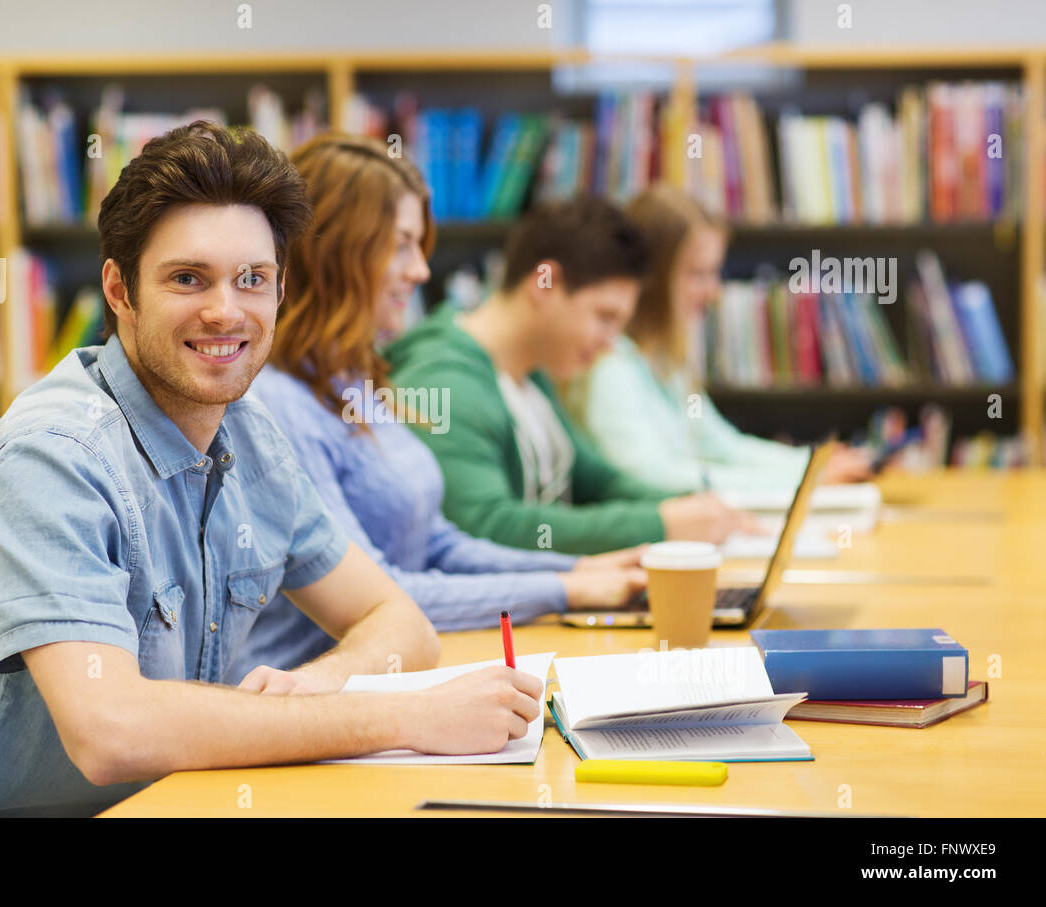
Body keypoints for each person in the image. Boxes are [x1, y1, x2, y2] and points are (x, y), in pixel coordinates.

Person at [0, 123, 542, 818]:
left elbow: (399, 621)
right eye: (187, 278)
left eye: (252, 279)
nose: (225, 310)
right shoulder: (54, 455)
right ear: (119, 289)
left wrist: (320, 686)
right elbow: (107, 730)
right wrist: (401, 717)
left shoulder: (251, 434)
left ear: (281, 289)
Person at [229, 136, 647, 681]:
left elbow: (438, 544)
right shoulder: (278, 403)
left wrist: (577, 568)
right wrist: (563, 589)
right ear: (340, 250)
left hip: (382, 683)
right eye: (401, 245)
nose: (421, 271)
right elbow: (382, 593)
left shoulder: (352, 379)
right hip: (301, 700)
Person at [385, 195, 752, 557]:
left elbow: (596, 481)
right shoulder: (445, 381)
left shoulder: (529, 374)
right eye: (604, 318)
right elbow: (485, 527)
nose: (610, 344)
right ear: (545, 282)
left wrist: (692, 507)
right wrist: (660, 524)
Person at [569, 183, 873, 495]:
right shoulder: (610, 365)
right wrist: (804, 481)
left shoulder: (664, 364)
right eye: (698, 274)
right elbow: (652, 477)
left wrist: (814, 464)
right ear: (652, 280)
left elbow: (723, 447)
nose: (714, 293)